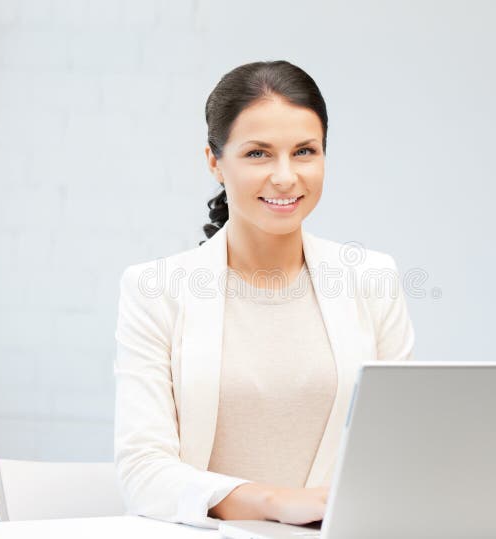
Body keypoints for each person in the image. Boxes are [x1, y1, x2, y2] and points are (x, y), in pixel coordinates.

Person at [113, 60, 416, 530]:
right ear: (215, 161)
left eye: (304, 151)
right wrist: (276, 502)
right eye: (258, 154)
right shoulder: (156, 292)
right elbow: (143, 473)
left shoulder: (371, 279)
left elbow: (399, 449)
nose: (285, 177)